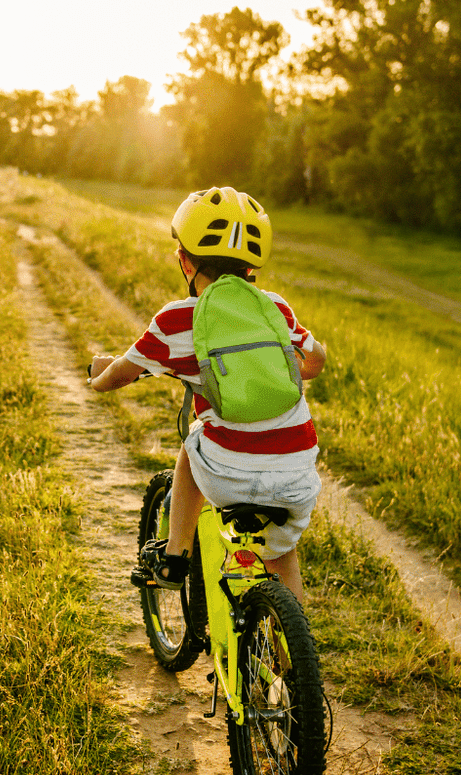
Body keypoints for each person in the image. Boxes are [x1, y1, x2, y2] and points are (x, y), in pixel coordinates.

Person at [88, 187, 327, 604]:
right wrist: (293, 371)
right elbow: (316, 359)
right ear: (252, 264)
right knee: (282, 552)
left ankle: (174, 558)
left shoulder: (179, 318)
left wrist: (95, 376)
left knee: (192, 444)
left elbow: (116, 378)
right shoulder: (276, 308)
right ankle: (297, 662)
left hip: (228, 471)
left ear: (185, 260)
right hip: (296, 475)